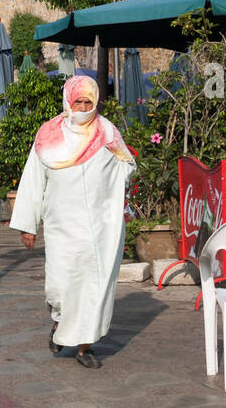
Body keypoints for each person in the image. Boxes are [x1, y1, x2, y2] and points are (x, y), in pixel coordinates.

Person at [9, 75, 134, 369]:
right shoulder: (48, 134)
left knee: (93, 287)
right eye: (78, 100)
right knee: (61, 286)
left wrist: (115, 174)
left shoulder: (107, 131)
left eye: (88, 101)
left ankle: (84, 347)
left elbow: (127, 164)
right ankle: (61, 324)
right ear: (68, 100)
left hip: (99, 229)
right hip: (61, 225)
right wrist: (29, 223)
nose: (82, 106)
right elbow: (32, 180)